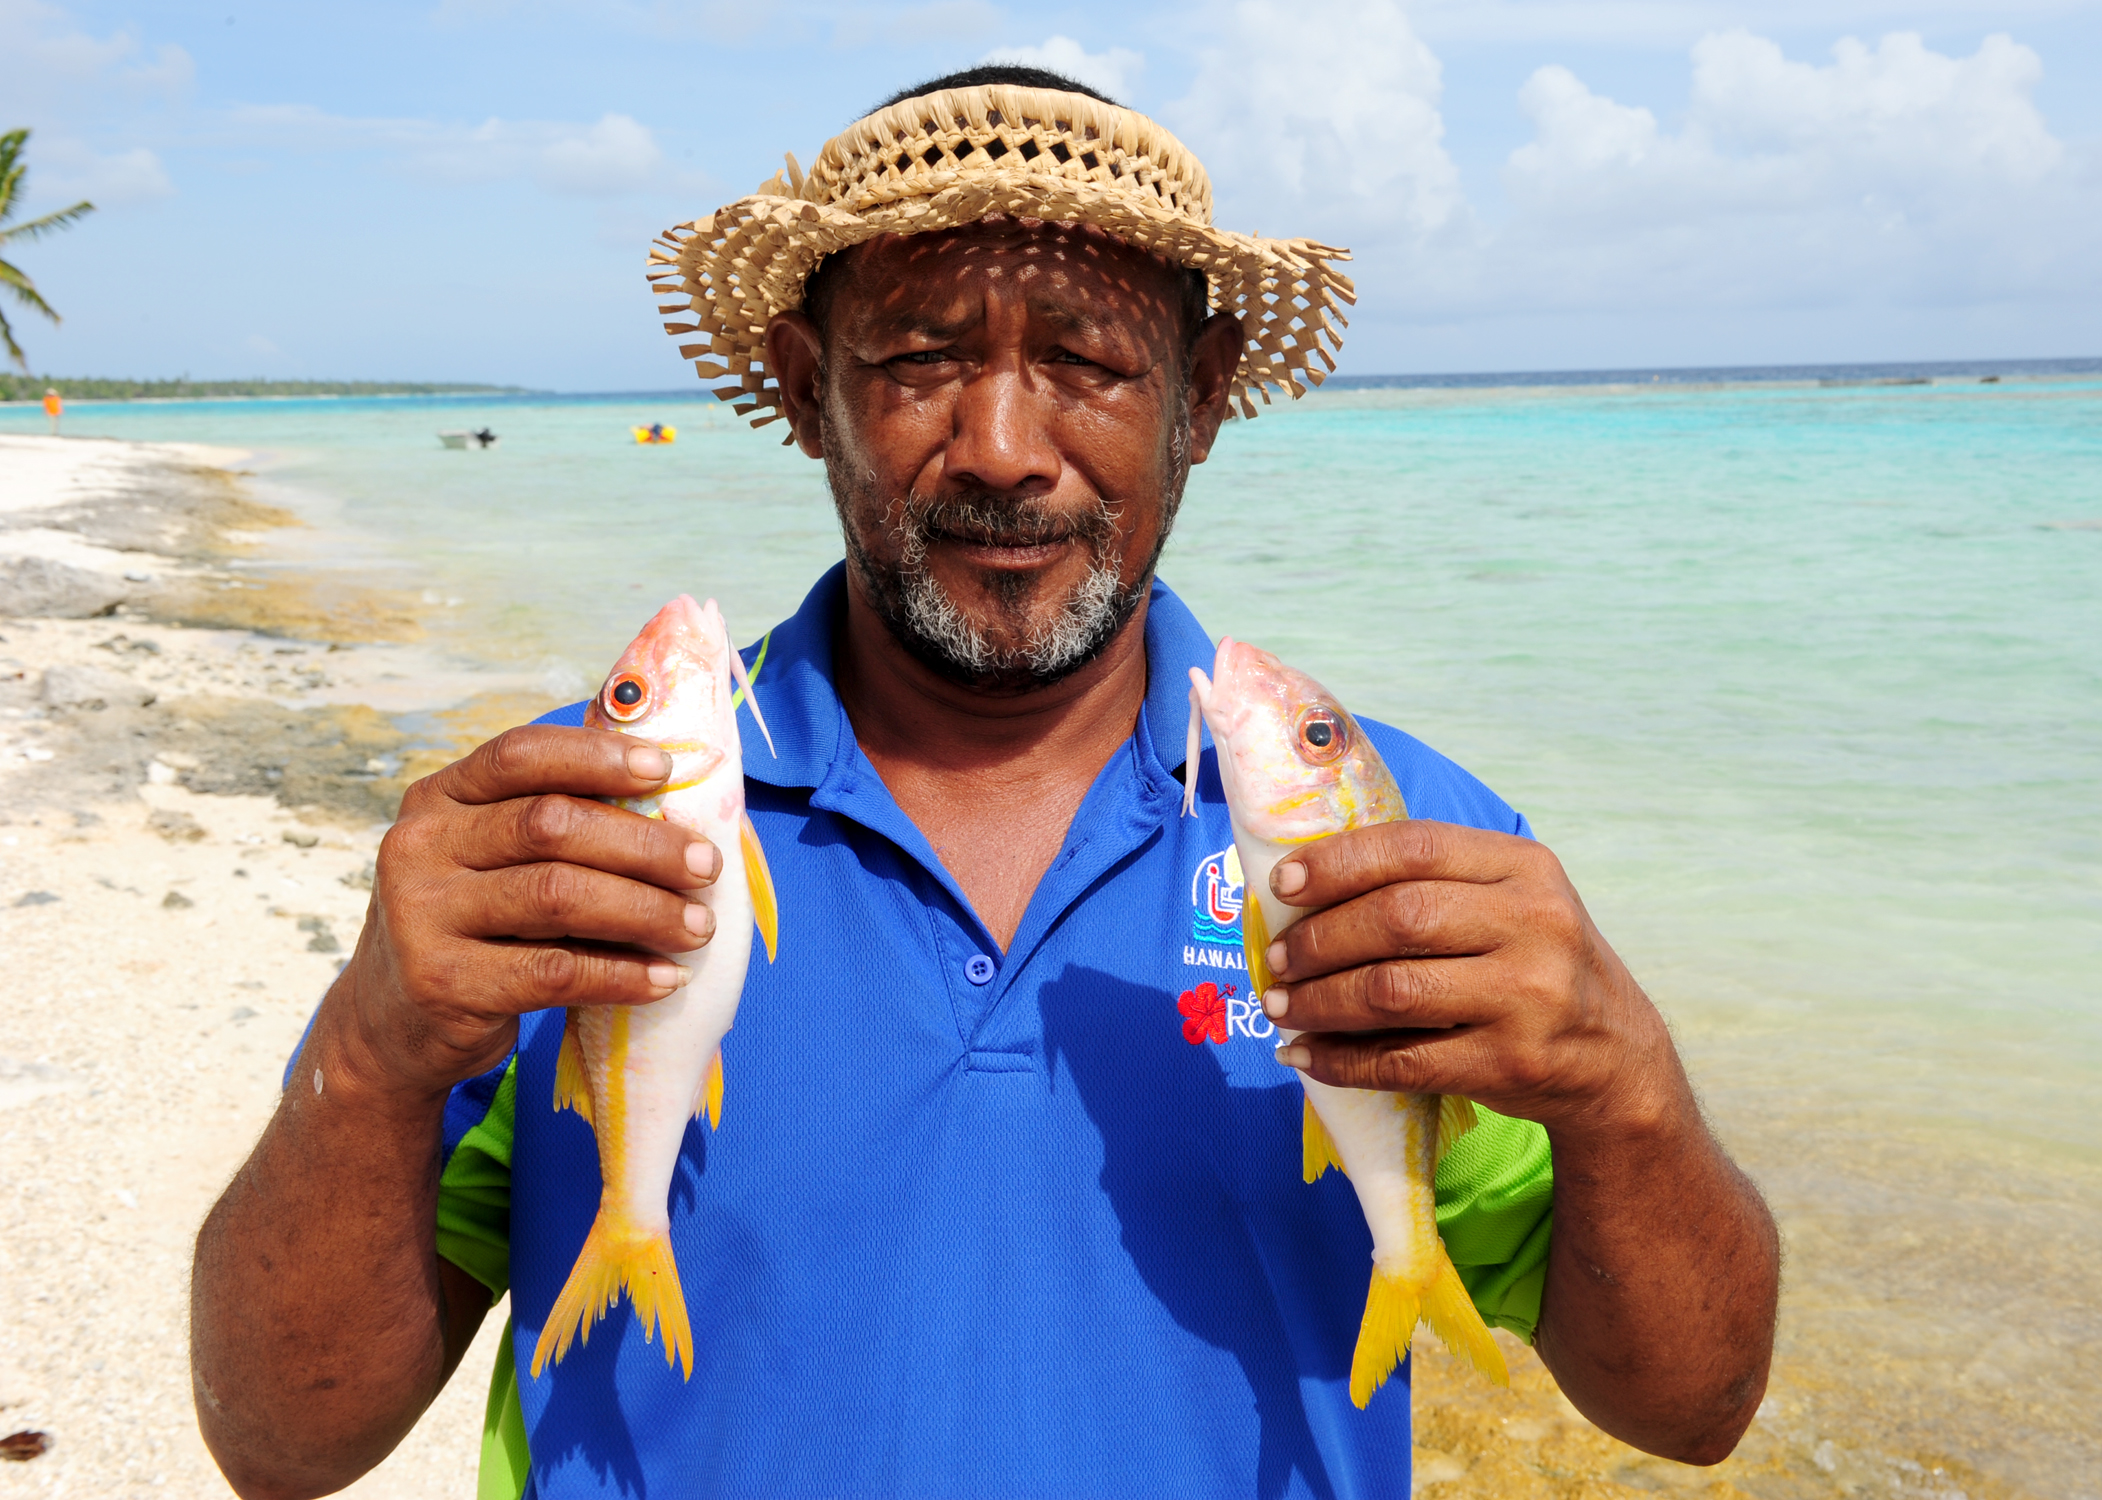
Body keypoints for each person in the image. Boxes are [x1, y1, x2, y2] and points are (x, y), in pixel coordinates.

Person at [191, 67, 1779, 1500]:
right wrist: (380, 1041)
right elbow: (279, 1439)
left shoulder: (1391, 843)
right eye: (921, 358)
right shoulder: (575, 835)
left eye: (1086, 361)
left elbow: (1690, 1410)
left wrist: (1624, 1086)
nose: (1003, 446)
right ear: (807, 384)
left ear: (1204, 396)